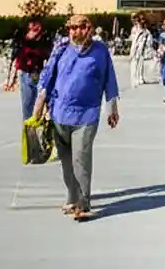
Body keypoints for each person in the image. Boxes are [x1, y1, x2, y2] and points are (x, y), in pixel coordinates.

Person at [32, 15, 119, 222]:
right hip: (59, 113)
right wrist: (40, 100)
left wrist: (112, 107)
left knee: (81, 157)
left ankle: (83, 203)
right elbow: (47, 75)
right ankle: (72, 198)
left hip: (86, 114)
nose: (74, 32)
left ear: (88, 29)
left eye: (79, 28)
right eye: (71, 28)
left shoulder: (100, 51)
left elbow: (110, 80)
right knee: (66, 161)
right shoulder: (61, 48)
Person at [5, 17, 52, 120]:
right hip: (25, 74)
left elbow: (50, 57)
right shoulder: (22, 40)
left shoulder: (46, 39)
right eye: (32, 24)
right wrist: (10, 79)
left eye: (37, 24)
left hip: (41, 74)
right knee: (27, 108)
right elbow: (15, 58)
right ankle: (28, 132)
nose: (35, 27)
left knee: (42, 107)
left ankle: (41, 130)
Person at [128, 12, 154, 87]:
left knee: (140, 63)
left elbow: (149, 40)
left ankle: (140, 77)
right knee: (135, 63)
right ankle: (135, 78)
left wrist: (147, 46)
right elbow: (133, 39)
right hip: (135, 49)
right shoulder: (135, 29)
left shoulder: (145, 31)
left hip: (142, 49)